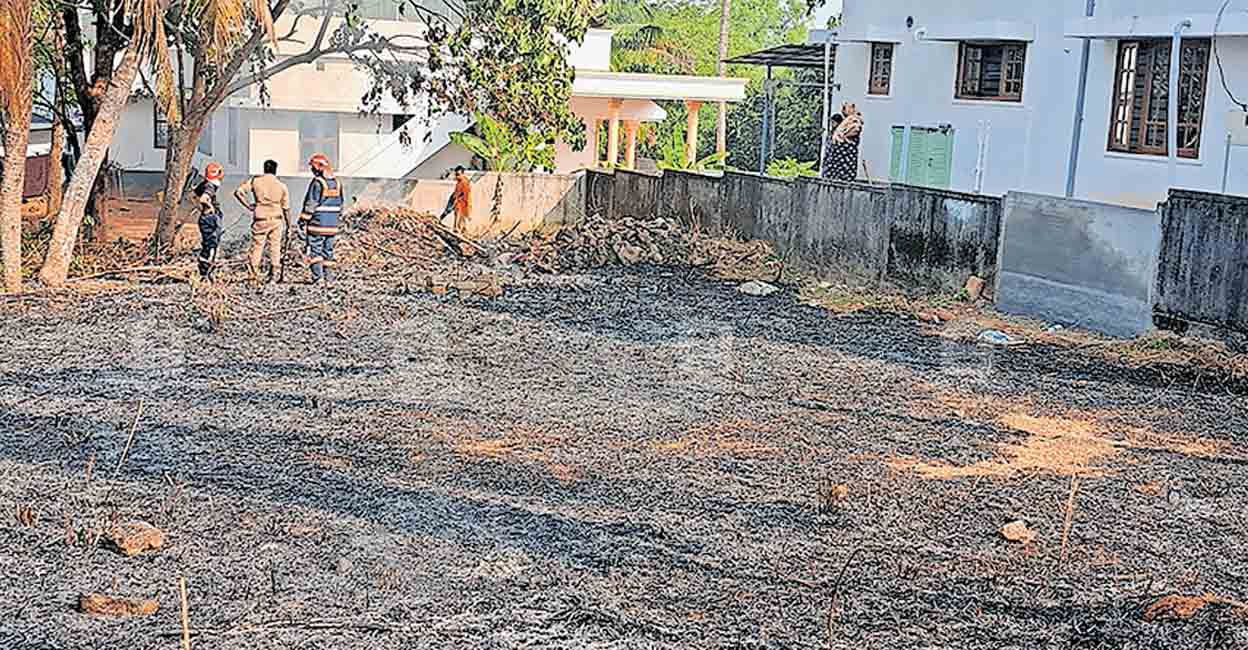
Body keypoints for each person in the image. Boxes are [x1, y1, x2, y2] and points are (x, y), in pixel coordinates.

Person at [234, 159, 290, 284]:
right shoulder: (281, 186)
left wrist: (248, 206)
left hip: (260, 218)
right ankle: (274, 274)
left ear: (264, 169)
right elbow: (286, 208)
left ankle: (253, 274)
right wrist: (289, 225)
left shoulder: (255, 181)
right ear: (275, 170)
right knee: (275, 247)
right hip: (276, 219)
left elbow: (238, 192)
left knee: (257, 247)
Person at [298, 153, 343, 284]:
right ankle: (329, 279)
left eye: (313, 167)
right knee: (328, 252)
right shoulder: (337, 183)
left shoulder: (318, 183)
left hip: (317, 224)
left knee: (315, 251)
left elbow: (311, 204)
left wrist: (302, 220)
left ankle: (318, 278)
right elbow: (341, 204)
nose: (312, 170)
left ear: (318, 167)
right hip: (332, 225)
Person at [196, 162, 226, 279]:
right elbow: (203, 199)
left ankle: (204, 272)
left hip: (205, 218)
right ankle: (206, 273)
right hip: (210, 219)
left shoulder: (204, 184)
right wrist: (210, 208)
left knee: (207, 245)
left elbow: (194, 195)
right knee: (212, 246)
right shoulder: (210, 186)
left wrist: (202, 209)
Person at [823, 103, 864, 182]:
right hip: (835, 168)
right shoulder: (838, 130)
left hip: (843, 169)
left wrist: (843, 135)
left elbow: (854, 130)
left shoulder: (854, 122)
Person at [439, 166, 472, 234]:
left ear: (463, 174)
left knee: (460, 218)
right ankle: (458, 229)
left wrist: (468, 208)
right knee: (457, 216)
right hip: (457, 202)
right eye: (456, 175)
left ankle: (458, 230)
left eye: (458, 175)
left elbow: (466, 196)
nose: (456, 177)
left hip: (461, 203)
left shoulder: (464, 183)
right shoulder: (460, 181)